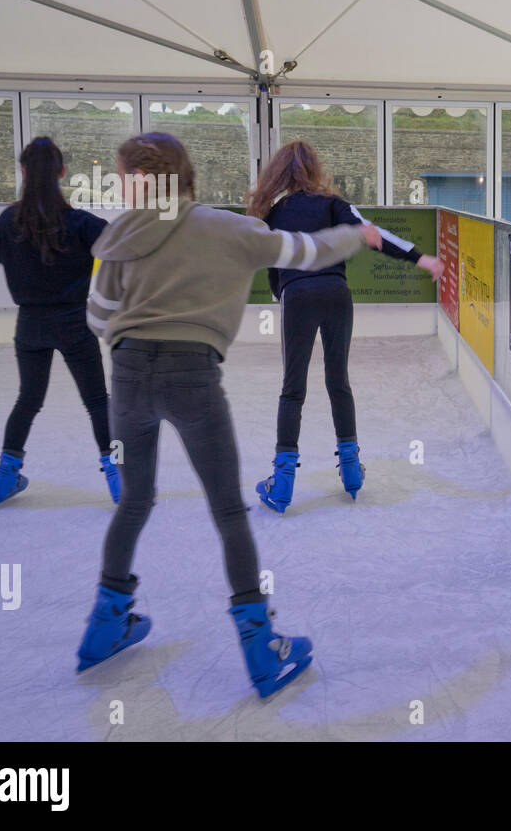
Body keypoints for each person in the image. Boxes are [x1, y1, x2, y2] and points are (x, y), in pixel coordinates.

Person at [78, 133, 382, 698]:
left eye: (124, 177)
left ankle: (104, 628)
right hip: (191, 376)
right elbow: (306, 253)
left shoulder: (120, 233)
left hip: (128, 378)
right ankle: (260, 646)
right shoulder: (228, 228)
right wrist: (357, 233)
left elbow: (97, 317)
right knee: (227, 510)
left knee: (136, 499)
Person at [248, 141, 442, 513]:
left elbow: (268, 263)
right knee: (338, 381)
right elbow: (373, 233)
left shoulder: (273, 212)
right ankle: (351, 472)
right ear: (315, 167)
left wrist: (282, 293)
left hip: (297, 295)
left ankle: (283, 481)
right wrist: (421, 258)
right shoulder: (333, 203)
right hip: (337, 293)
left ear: (278, 173)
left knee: (293, 388)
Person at [0, 136, 119, 507]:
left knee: (28, 400)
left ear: (23, 172)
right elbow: (118, 244)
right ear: (61, 172)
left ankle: (5, 476)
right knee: (97, 402)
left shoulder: (10, 220)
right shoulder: (80, 223)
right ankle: (119, 477)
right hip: (74, 321)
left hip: (30, 326)